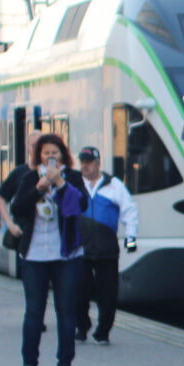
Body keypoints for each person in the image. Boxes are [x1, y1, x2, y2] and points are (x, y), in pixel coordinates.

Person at [8, 133, 88, 366]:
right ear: (38, 156)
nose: (51, 156)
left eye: (55, 152)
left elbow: (81, 205)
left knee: (65, 309)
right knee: (34, 310)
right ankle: (29, 363)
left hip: (66, 254)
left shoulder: (72, 177)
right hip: (35, 253)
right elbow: (17, 208)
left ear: (63, 155)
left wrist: (61, 185)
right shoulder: (30, 178)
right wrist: (38, 189)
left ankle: (65, 364)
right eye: (46, 153)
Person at [76, 146, 138, 344]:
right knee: (79, 292)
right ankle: (82, 326)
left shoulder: (114, 185)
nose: (84, 165)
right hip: (80, 249)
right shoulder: (75, 185)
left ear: (97, 163)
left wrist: (131, 237)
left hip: (107, 249)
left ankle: (103, 331)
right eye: (82, 162)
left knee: (108, 294)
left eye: (88, 162)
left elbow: (130, 212)